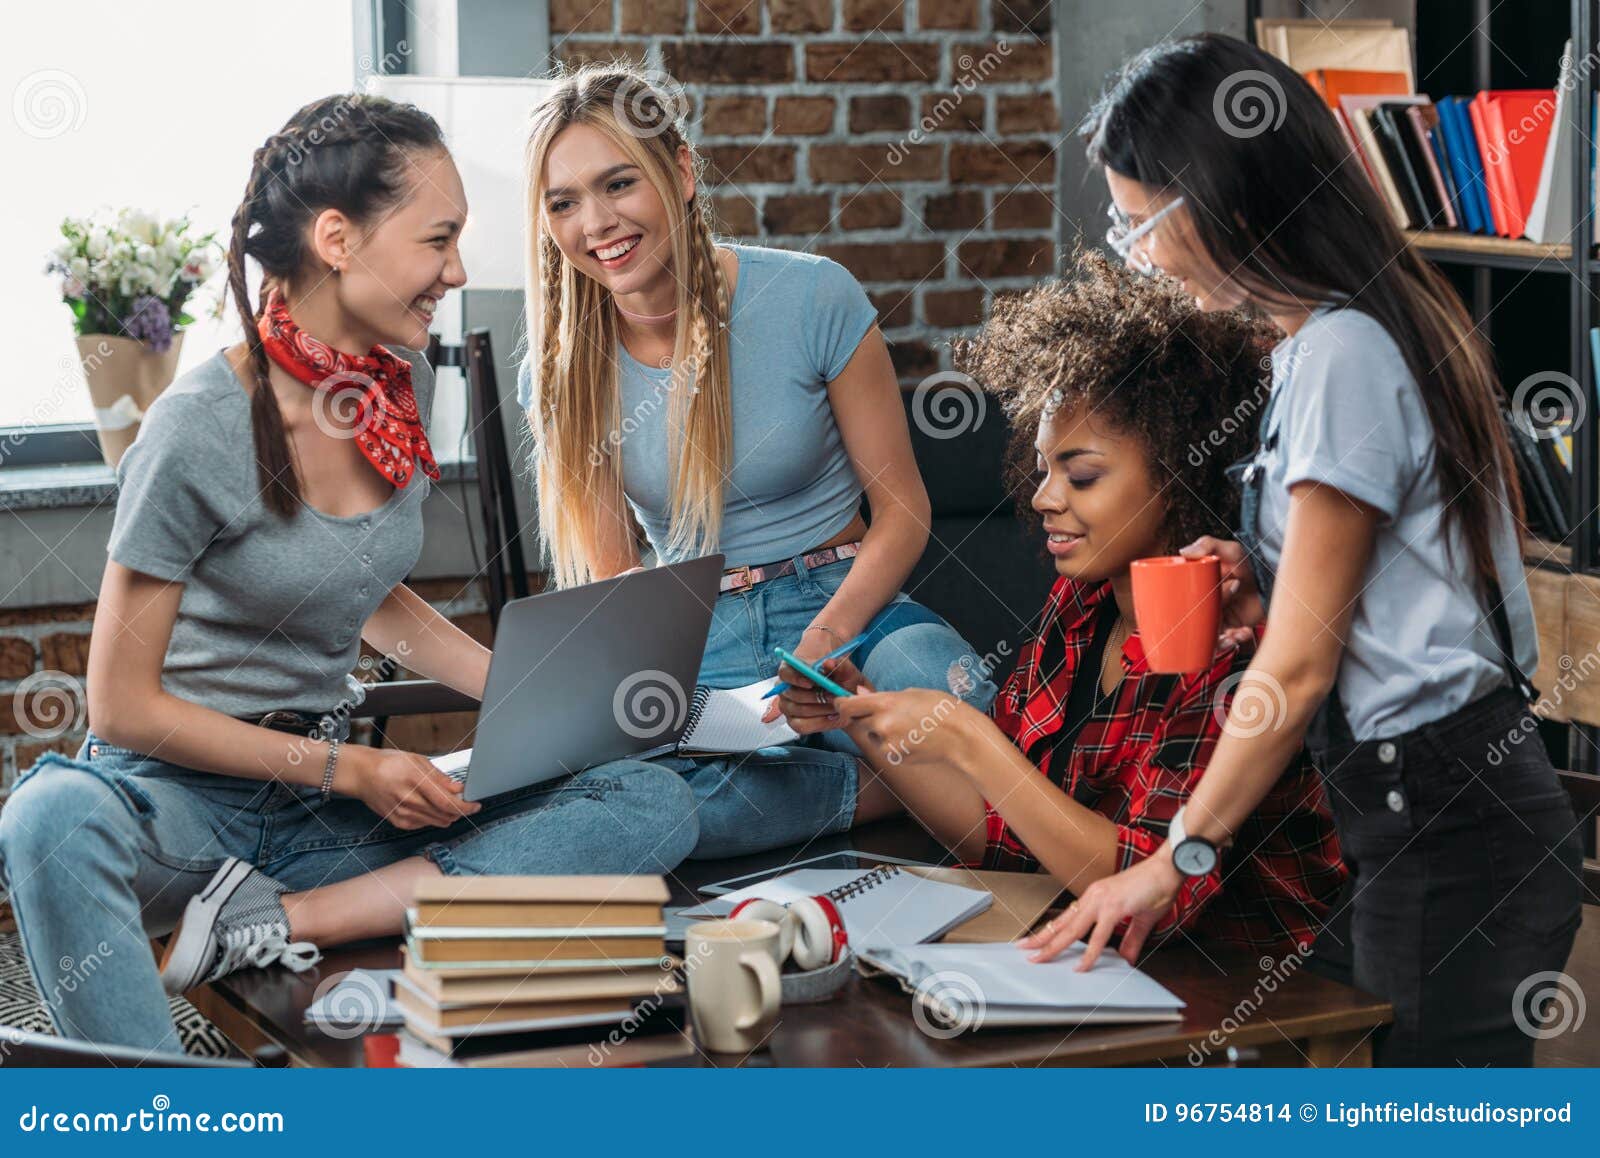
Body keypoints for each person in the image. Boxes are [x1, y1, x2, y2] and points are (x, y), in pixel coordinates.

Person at [0, 94, 696, 1053]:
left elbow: (363, 587)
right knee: (46, 816)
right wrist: (355, 767)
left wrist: (533, 696)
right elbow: (120, 708)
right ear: (337, 239)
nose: (458, 271)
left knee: (649, 798)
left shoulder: (393, 389)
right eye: (438, 240)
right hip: (181, 808)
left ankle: (284, 921)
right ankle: (161, 1110)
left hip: (319, 823)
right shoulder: (196, 427)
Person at [1022, 34, 1582, 1067]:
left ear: (1224, 203)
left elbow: (1301, 666)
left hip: (1446, 813)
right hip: (1411, 801)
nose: (1138, 255)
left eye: (1141, 222)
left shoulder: (1339, 355)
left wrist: (1172, 861)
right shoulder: (1342, 336)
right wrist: (1262, 583)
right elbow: (1375, 598)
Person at [777, 251, 1346, 960]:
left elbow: (1152, 890)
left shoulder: (1228, 641)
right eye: (1045, 468)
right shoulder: (1080, 604)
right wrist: (861, 721)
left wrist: (969, 737)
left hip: (1242, 984)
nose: (1045, 497)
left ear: (1181, 474)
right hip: (1098, 963)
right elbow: (1010, 841)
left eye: (1081, 476)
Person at [515, 64, 995, 858]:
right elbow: (617, 579)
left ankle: (881, 773)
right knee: (633, 806)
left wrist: (827, 638)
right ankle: (879, 789)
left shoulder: (813, 297)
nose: (596, 222)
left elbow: (903, 509)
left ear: (681, 172)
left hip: (850, 607)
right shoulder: (560, 372)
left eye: (619, 184)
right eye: (563, 202)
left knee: (950, 699)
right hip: (696, 638)